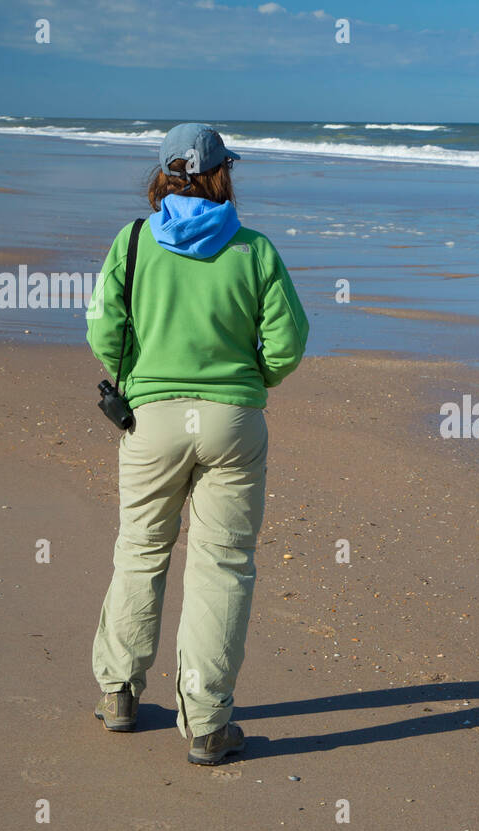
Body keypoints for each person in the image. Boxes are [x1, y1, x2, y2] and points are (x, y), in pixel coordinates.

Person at [86, 123, 309, 765]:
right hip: (233, 421)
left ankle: (120, 694)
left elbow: (105, 328)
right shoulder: (254, 250)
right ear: (222, 176)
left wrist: (135, 381)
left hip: (151, 420)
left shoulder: (131, 243)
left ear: (162, 176)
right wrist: (250, 381)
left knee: (140, 550)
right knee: (223, 564)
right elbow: (288, 345)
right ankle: (207, 723)